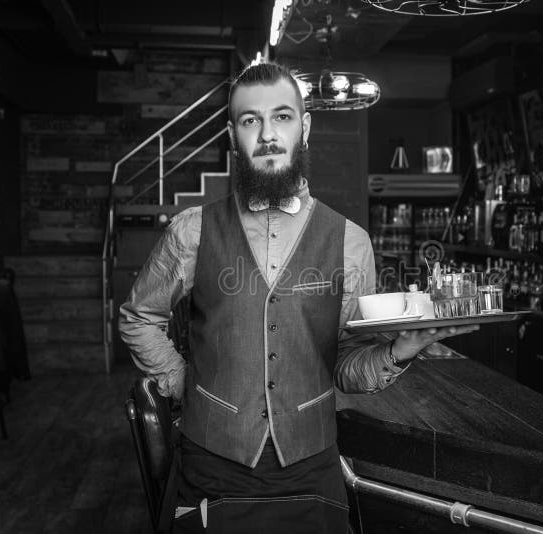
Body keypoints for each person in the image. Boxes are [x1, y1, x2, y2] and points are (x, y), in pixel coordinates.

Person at [119, 61, 477, 533]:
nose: (267, 134)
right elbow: (138, 317)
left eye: (282, 117)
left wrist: (399, 351)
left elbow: (346, 367)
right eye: (251, 120)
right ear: (233, 134)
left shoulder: (351, 242)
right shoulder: (192, 231)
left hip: (311, 469)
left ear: (304, 127)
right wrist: (184, 381)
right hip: (211, 467)